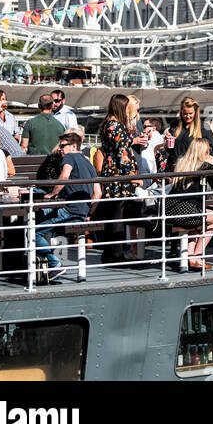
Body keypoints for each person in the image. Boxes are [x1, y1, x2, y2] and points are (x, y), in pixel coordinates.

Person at [33, 132, 101, 283]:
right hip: (81, 212)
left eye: (63, 146)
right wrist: (89, 213)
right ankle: (46, 263)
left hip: (70, 209)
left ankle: (54, 263)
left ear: (74, 146)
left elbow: (64, 176)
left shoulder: (70, 157)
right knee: (42, 219)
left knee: (32, 232)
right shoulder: (88, 163)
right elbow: (98, 193)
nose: (60, 149)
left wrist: (52, 194)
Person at [166, 138, 213, 269]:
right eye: (208, 150)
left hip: (169, 209)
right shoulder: (205, 166)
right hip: (187, 210)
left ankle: (190, 256)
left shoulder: (181, 163)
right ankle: (197, 255)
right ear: (205, 151)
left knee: (197, 221)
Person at [97, 93, 140, 262]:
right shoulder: (117, 126)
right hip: (119, 177)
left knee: (111, 213)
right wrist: (133, 176)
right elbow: (123, 155)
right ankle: (116, 253)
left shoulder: (106, 124)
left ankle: (109, 252)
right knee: (118, 215)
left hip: (109, 173)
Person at [163, 97, 213, 171]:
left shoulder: (204, 127)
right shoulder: (175, 125)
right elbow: (170, 150)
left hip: (192, 169)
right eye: (185, 114)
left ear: (195, 112)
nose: (188, 116)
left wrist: (208, 160)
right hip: (173, 168)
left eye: (190, 113)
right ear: (181, 112)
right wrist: (167, 142)